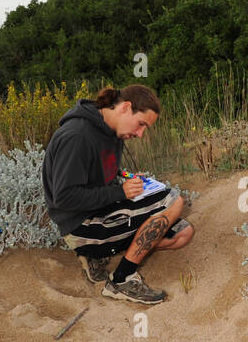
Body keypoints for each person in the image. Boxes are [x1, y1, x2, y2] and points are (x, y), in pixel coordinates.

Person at [41, 84, 194, 305]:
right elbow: (64, 198)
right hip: (80, 224)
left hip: (100, 212)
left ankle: (98, 256)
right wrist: (119, 191)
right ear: (125, 107)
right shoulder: (77, 136)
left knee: (182, 233)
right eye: (141, 124)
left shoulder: (113, 132)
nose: (140, 134)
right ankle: (121, 280)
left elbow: (101, 174)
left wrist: (126, 178)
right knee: (172, 200)